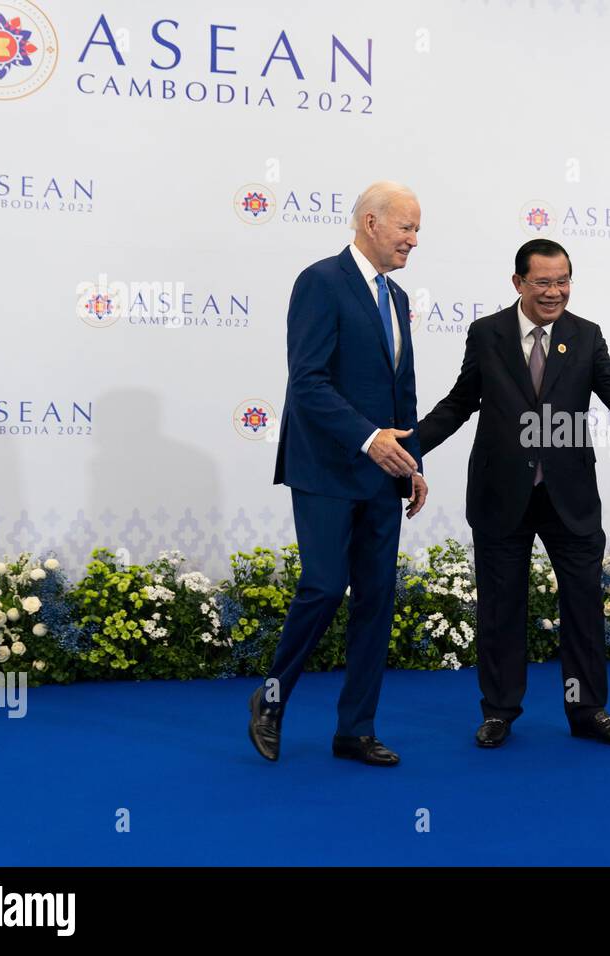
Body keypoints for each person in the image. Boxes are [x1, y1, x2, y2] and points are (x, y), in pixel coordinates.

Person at [418, 238, 610, 748]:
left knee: (582, 607)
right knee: (500, 609)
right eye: (543, 282)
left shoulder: (585, 335)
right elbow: (461, 402)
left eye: (563, 281)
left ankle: (588, 711)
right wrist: (407, 447)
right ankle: (500, 712)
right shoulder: (486, 333)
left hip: (569, 495)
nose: (555, 292)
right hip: (499, 492)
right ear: (518, 283)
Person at [248, 181, 429, 767]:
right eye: (407, 228)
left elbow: (402, 389)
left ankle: (356, 729)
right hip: (326, 468)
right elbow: (308, 382)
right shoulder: (320, 281)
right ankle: (270, 700)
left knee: (376, 598)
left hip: (382, 476)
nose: (414, 241)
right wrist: (369, 438)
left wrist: (413, 462)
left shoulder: (397, 298)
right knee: (324, 587)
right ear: (372, 223)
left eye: (418, 230)